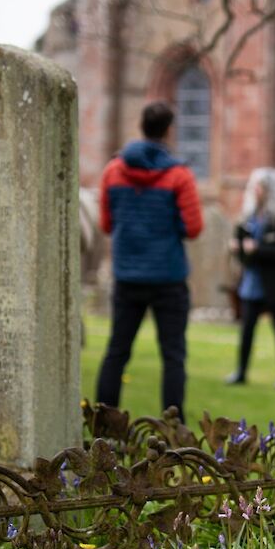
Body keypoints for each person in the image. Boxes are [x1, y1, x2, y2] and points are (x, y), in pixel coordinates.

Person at [96, 101, 203, 420]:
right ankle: (173, 429)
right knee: (173, 356)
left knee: (117, 352)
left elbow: (106, 224)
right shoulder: (179, 175)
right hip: (168, 277)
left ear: (142, 126)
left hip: (127, 276)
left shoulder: (113, 171)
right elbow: (193, 227)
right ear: (168, 130)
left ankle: (103, 427)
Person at [227, 168, 275, 389]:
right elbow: (243, 247)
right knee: (246, 330)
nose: (256, 190)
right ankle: (241, 372)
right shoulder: (249, 216)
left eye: (260, 186)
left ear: (270, 190)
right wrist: (237, 248)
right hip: (252, 282)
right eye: (255, 185)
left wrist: (257, 249)